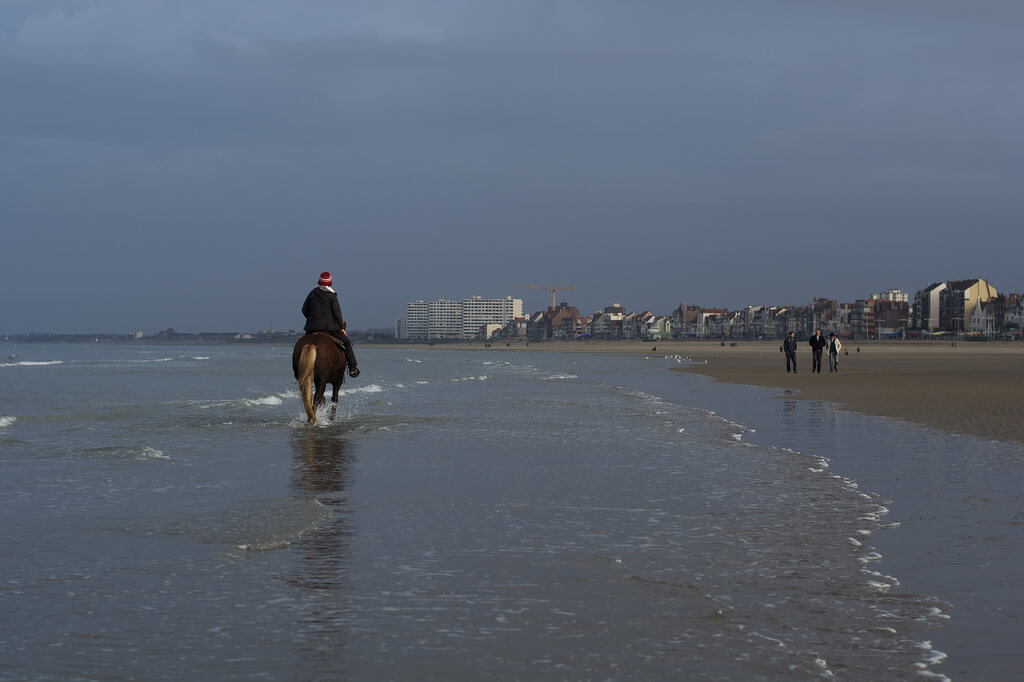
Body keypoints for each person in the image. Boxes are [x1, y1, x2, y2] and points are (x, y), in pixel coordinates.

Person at [302, 272, 359, 377]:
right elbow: (337, 314)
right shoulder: (332, 296)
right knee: (346, 342)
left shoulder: (312, 293)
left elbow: (304, 310)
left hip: (311, 328)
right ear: (330, 283)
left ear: (319, 282)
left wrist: (312, 320)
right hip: (329, 328)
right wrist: (341, 328)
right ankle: (353, 368)